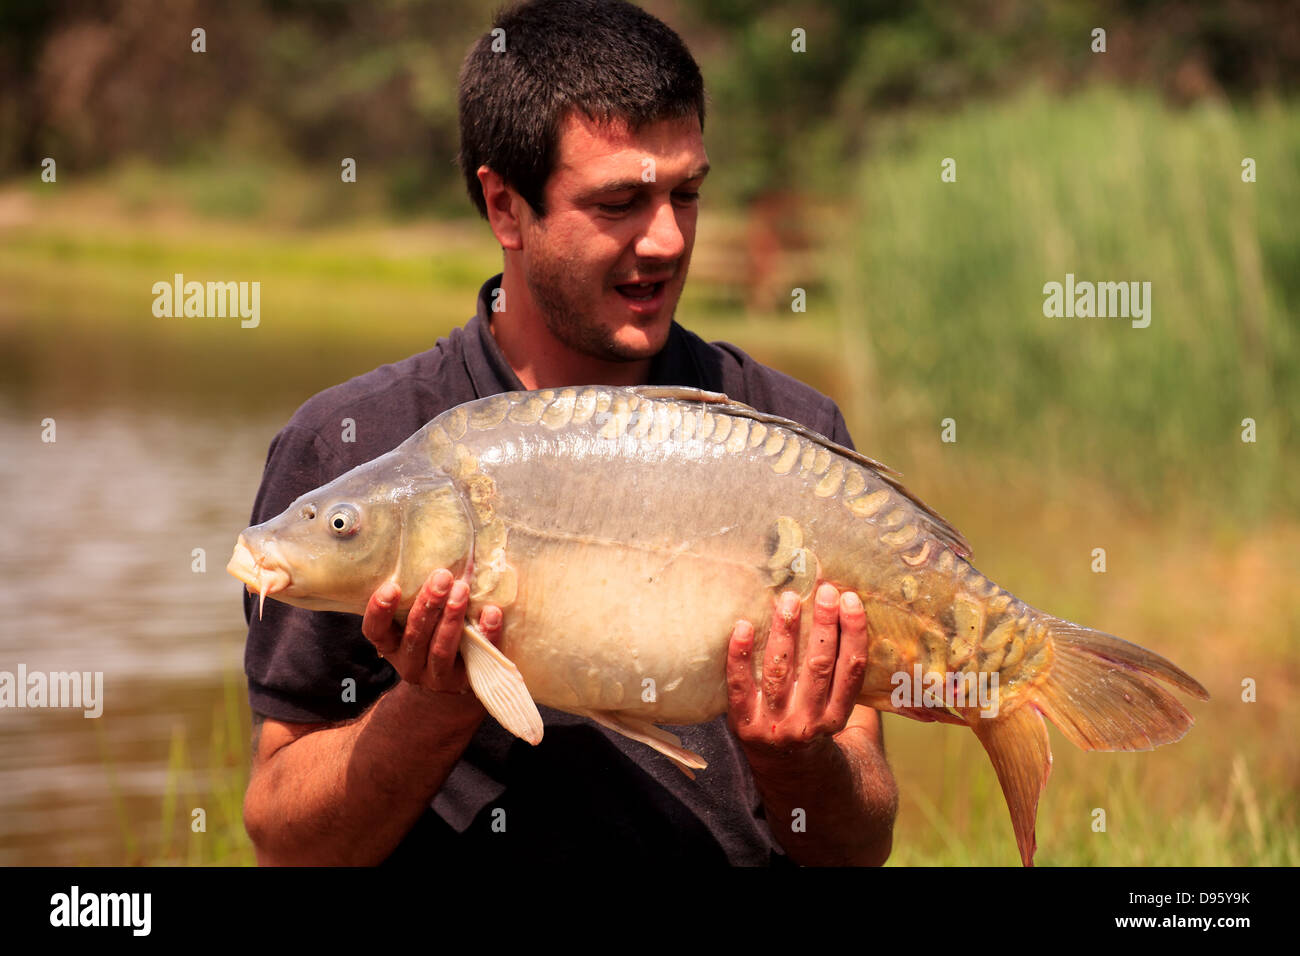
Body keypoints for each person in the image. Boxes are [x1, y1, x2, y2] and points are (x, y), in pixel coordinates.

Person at [241, 0, 898, 866]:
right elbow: (290, 846)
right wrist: (434, 700)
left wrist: (797, 756)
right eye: (621, 201)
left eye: (687, 194)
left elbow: (859, 846)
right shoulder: (349, 447)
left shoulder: (792, 438)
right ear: (505, 207)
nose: (666, 239)